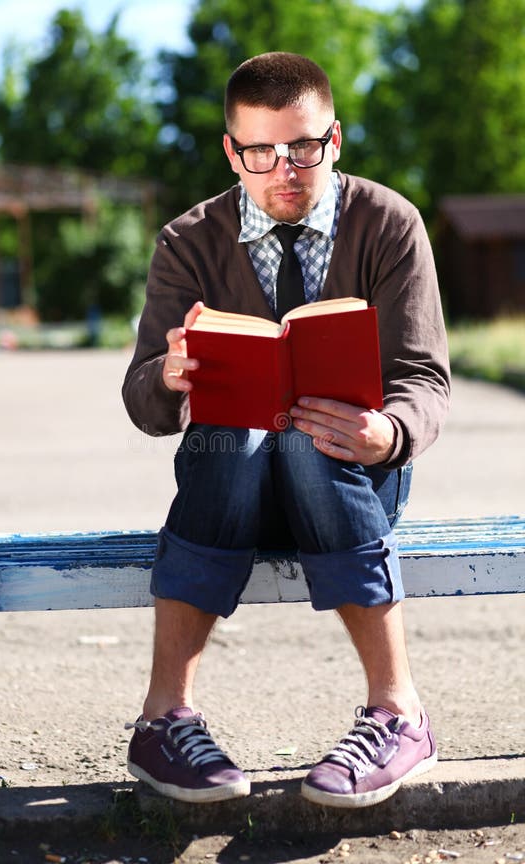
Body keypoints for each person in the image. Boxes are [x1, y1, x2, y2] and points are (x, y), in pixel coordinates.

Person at [122, 52, 450, 808]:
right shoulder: (187, 241)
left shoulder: (389, 223)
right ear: (232, 151)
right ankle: (164, 719)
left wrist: (388, 432)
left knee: (308, 438)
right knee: (229, 437)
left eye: (304, 147)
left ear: (335, 140)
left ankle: (398, 713)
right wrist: (169, 377)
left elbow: (425, 381)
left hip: (352, 471)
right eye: (262, 151)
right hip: (228, 483)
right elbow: (143, 404)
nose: (286, 169)